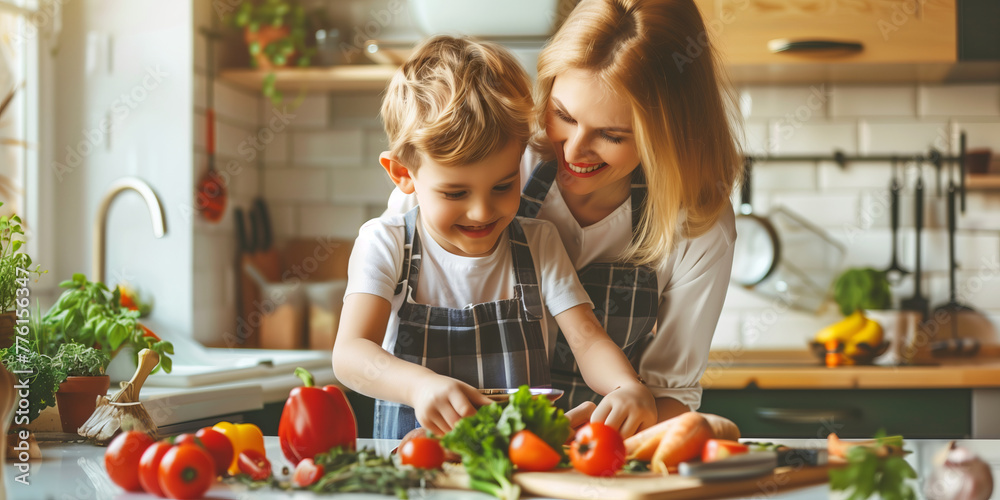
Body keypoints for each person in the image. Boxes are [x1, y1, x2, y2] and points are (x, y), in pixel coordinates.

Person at [387, 0, 742, 426]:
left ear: (667, 134)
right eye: (563, 116)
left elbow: (668, 392)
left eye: (612, 135)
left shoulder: (696, 224)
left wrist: (600, 432)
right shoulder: (494, 161)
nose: (573, 152)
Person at [332, 35, 658, 440]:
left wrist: (627, 387)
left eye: (504, 186)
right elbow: (350, 354)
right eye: (455, 193)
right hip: (416, 467)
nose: (483, 212)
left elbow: (587, 339)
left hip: (520, 462)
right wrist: (420, 386)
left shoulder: (539, 242)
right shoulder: (387, 243)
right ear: (403, 174)